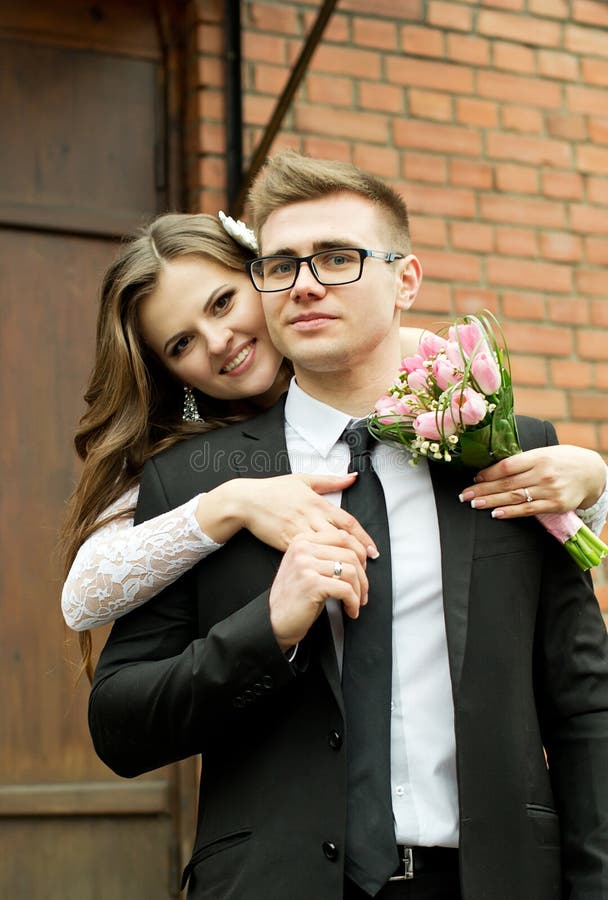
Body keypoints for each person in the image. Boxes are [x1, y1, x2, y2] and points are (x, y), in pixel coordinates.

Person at [87, 153, 608, 899]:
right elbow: (119, 727)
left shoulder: (504, 445)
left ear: (406, 280)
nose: (305, 283)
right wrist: (266, 629)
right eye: (281, 265)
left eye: (337, 258)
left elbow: (586, 704)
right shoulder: (194, 481)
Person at [61, 212, 608, 690]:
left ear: (269, 276)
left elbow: (517, 516)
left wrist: (594, 482)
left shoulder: (414, 368)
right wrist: (231, 504)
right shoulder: (183, 462)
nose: (219, 340)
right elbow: (82, 598)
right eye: (182, 343)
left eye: (224, 303)